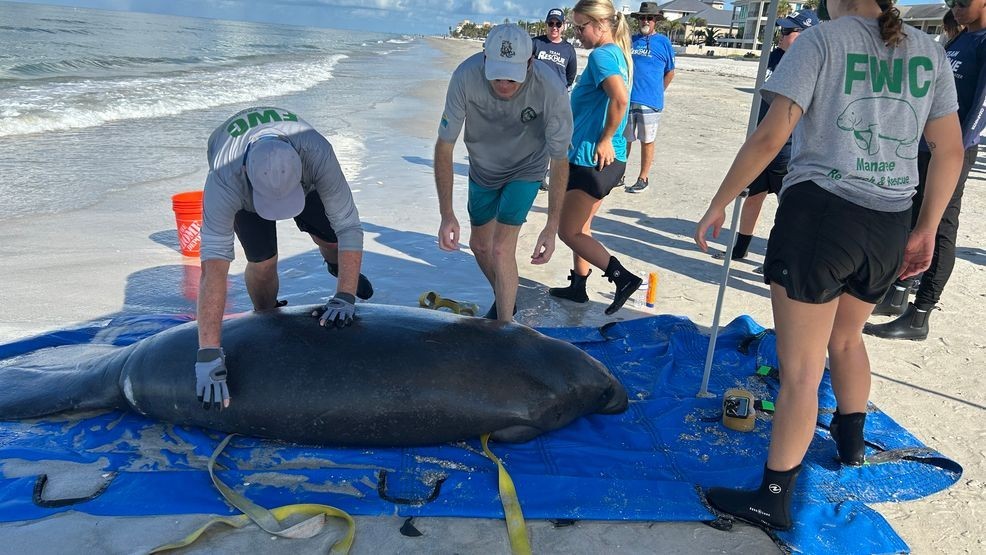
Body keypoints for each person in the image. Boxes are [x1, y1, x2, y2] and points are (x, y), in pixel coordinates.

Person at [694, 0, 963, 531]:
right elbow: (951, 150)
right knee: (846, 339)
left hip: (822, 217)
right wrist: (927, 227)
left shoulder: (822, 40)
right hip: (890, 219)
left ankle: (773, 497)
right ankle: (852, 445)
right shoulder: (928, 49)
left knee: (800, 371)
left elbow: (771, 136)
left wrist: (720, 201)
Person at [196, 106, 374, 410]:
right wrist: (208, 353)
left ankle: (335, 264)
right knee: (263, 262)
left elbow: (349, 226)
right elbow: (213, 269)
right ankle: (264, 315)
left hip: (305, 182)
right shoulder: (224, 180)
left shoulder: (317, 153)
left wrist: (345, 294)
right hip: (245, 193)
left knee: (333, 240)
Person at [863, 0, 985, 339]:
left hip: (951, 151)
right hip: (924, 145)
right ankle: (897, 294)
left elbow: (979, 108)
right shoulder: (961, 38)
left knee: (940, 226)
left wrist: (955, 149)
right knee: (911, 218)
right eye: (951, 2)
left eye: (963, 1)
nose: (956, 7)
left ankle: (920, 314)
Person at [435, 24, 574, 321]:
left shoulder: (551, 89)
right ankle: (505, 302)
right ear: (484, 58)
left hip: (526, 167)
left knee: (500, 249)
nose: (504, 83)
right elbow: (445, 146)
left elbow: (560, 159)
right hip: (483, 168)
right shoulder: (464, 77)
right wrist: (447, 213)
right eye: (497, 73)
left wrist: (552, 225)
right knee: (479, 246)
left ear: (530, 62)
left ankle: (506, 329)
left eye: (512, 76)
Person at [548, 0, 642, 315]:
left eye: (580, 27)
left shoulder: (603, 55)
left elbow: (620, 98)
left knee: (568, 230)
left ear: (600, 25)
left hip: (593, 159)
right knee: (582, 228)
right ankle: (578, 286)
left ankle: (623, 278)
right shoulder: (617, 52)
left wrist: (603, 140)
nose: (576, 34)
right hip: (605, 159)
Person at [728, 9, 818, 261]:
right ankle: (740, 247)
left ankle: (781, 254)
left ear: (804, 34)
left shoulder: (812, 63)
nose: (781, 35)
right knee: (753, 195)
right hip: (762, 141)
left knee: (787, 206)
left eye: (788, 31)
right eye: (782, 29)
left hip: (789, 148)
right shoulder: (775, 56)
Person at [623, 1, 675, 193]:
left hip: (651, 103)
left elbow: (670, 72)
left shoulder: (663, 42)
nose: (646, 20)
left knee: (647, 140)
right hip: (628, 100)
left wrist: (657, 90)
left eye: (649, 18)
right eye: (643, 17)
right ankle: (619, 174)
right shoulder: (631, 40)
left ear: (655, 21)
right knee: (625, 139)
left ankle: (643, 178)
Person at [532, 8, 578, 90]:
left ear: (563, 26)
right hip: (536, 91)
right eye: (551, 23)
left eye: (558, 24)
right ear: (547, 24)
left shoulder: (569, 49)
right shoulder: (535, 42)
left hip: (558, 95)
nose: (554, 27)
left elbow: (570, 76)